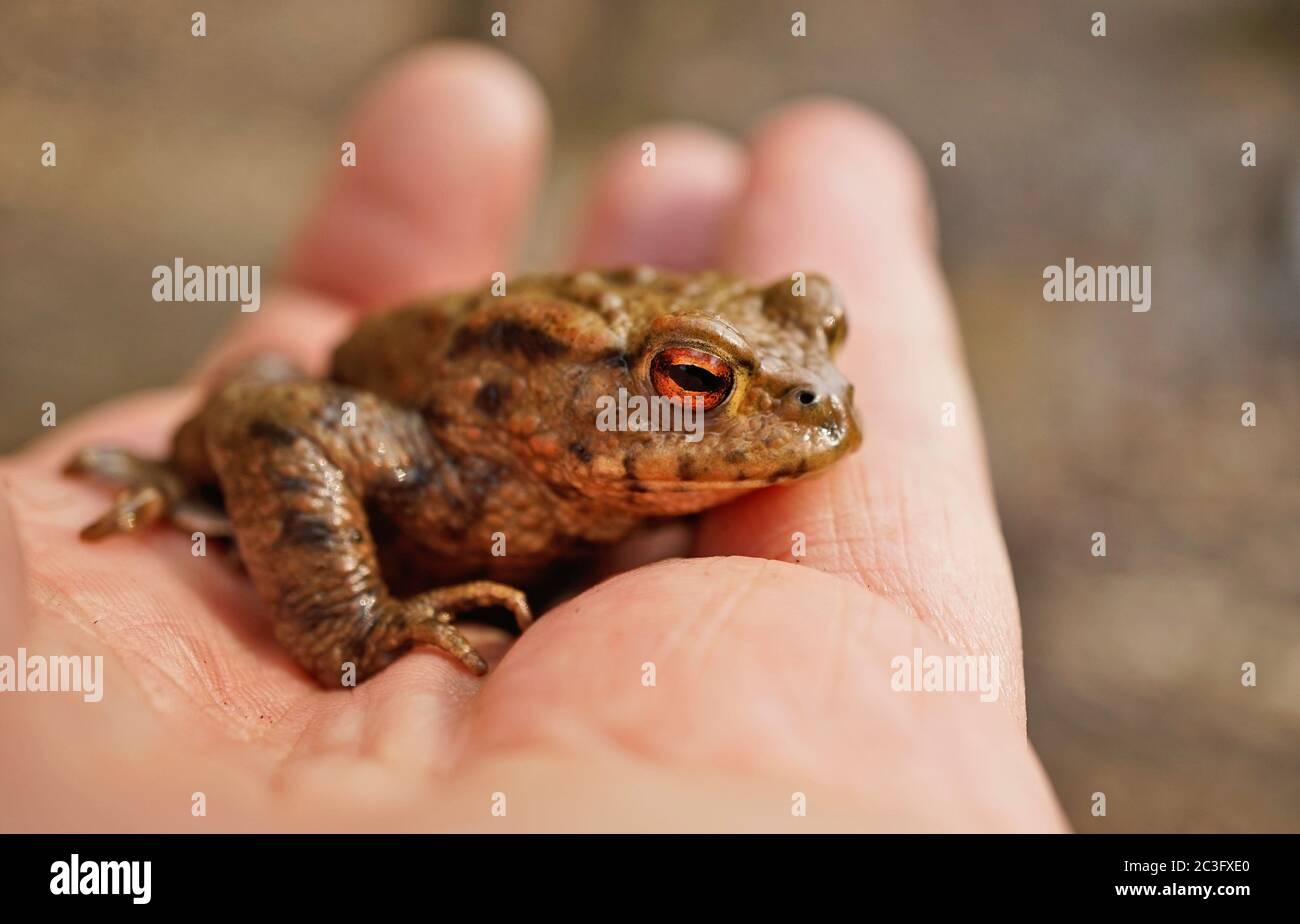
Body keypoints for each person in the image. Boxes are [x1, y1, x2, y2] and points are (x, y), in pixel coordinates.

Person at [0, 43, 1065, 832]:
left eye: (821, 334)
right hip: (413, 392)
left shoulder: (684, 435)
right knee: (253, 394)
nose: (818, 395)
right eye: (698, 381)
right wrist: (353, 621)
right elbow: (278, 420)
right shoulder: (451, 456)